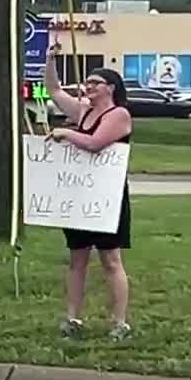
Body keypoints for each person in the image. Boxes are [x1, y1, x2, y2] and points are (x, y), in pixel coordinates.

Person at [44, 42, 133, 341]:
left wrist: (67, 133)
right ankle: (72, 318)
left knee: (110, 259)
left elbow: (96, 144)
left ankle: (119, 322)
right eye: (87, 82)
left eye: (95, 83)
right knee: (77, 259)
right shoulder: (84, 111)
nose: (88, 87)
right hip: (79, 195)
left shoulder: (118, 115)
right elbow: (55, 92)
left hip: (107, 196)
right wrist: (50, 60)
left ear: (110, 87)